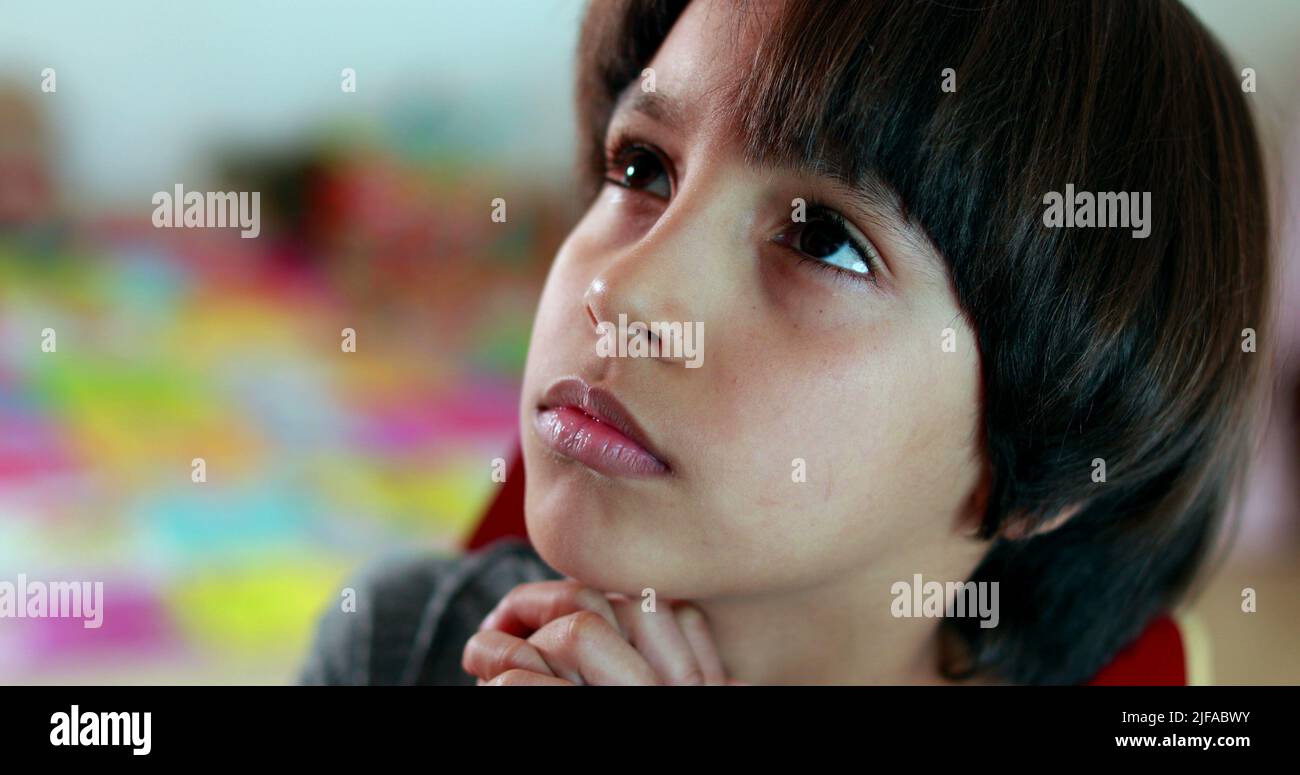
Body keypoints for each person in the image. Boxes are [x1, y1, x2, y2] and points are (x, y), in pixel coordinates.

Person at [301, 0, 1271, 686]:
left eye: (820, 238)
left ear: (1045, 469)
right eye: (642, 165)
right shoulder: (410, 642)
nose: (618, 287)